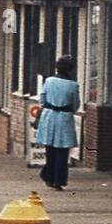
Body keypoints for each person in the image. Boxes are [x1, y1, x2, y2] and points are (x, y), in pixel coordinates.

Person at [35, 56, 80, 191]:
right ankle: (59, 179)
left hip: (49, 115)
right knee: (62, 150)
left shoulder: (48, 81)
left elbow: (42, 99)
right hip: (64, 117)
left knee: (50, 148)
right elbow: (75, 104)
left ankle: (48, 176)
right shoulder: (73, 85)